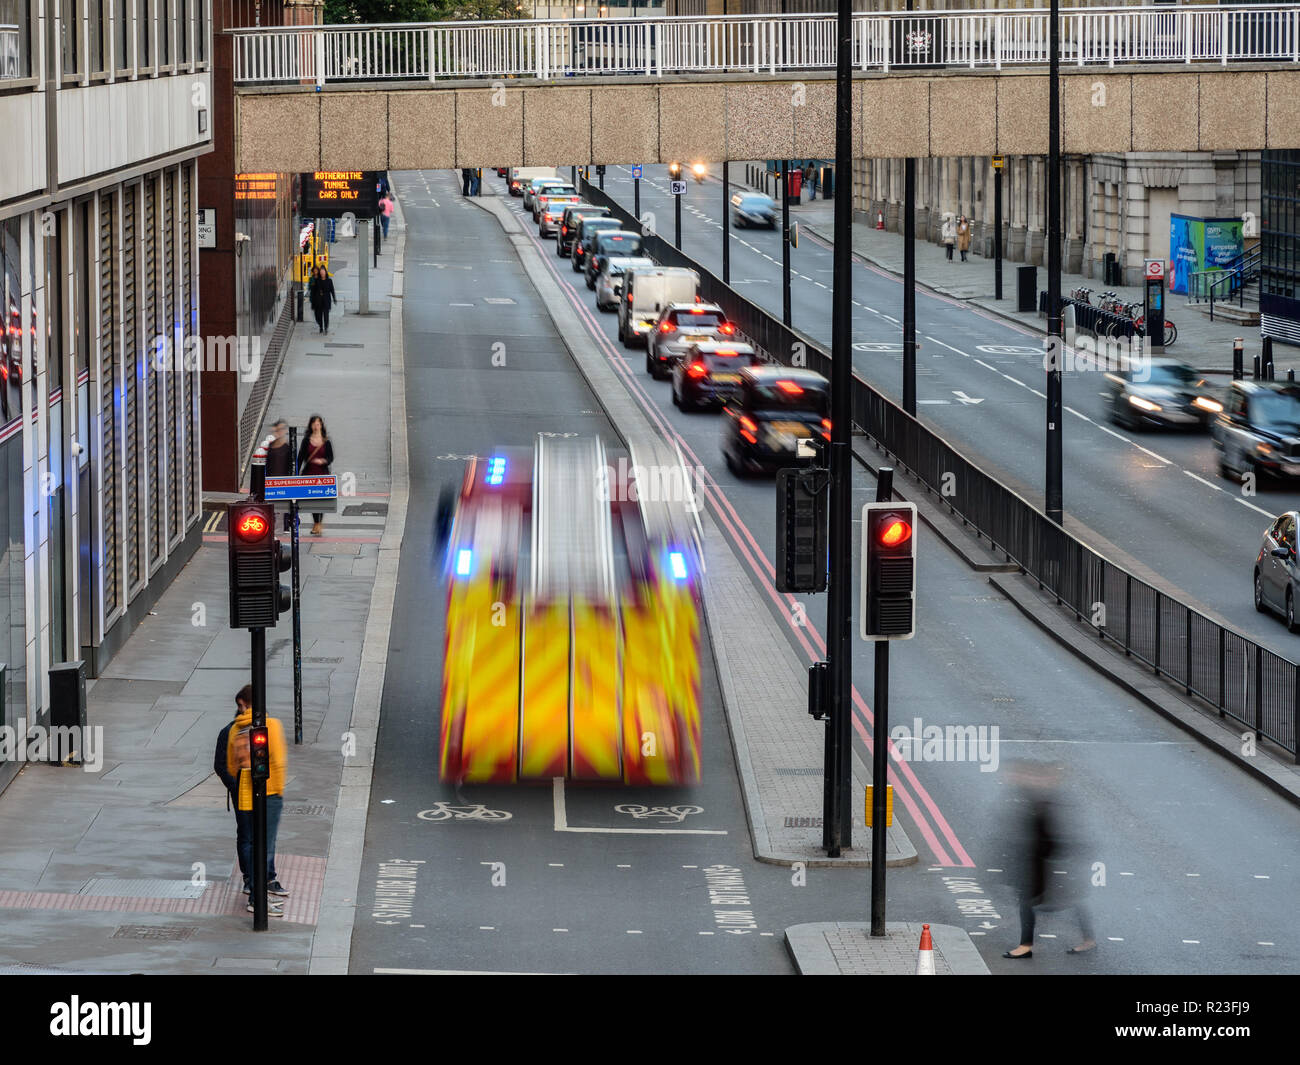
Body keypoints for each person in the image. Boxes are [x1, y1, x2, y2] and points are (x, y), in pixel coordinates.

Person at [1002, 762, 1096, 960]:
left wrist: (1053, 858)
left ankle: (1025, 945)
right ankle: (1088, 939)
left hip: (1047, 864)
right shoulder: (1034, 797)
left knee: (1033, 901)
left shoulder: (1052, 800)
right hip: (1040, 862)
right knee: (1056, 901)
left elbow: (1059, 834)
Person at [224, 685, 290, 914]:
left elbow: (232, 766)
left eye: (241, 706)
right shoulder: (272, 725)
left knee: (252, 842)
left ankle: (254, 890)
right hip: (269, 792)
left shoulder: (235, 730)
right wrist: (278, 789)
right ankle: (258, 898)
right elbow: (279, 762)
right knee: (266, 844)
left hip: (245, 793)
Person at [298, 414, 334, 537]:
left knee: (321, 499)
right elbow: (300, 457)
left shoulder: (326, 441)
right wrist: (296, 473)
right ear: (311, 425)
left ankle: (319, 523)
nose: (316, 426)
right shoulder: (306, 441)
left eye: (318, 423)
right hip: (309, 473)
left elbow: (331, 457)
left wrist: (323, 461)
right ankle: (316, 522)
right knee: (312, 499)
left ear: (321, 425)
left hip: (322, 473)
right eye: (314, 423)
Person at [307, 266, 336, 335]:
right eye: (321, 273)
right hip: (318, 301)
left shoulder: (329, 281)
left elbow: (332, 290)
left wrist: (334, 298)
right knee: (318, 315)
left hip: (326, 300)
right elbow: (313, 291)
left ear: (326, 273)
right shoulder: (317, 281)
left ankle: (326, 328)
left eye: (323, 272)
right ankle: (320, 326)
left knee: (326, 315)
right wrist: (313, 301)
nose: (322, 274)